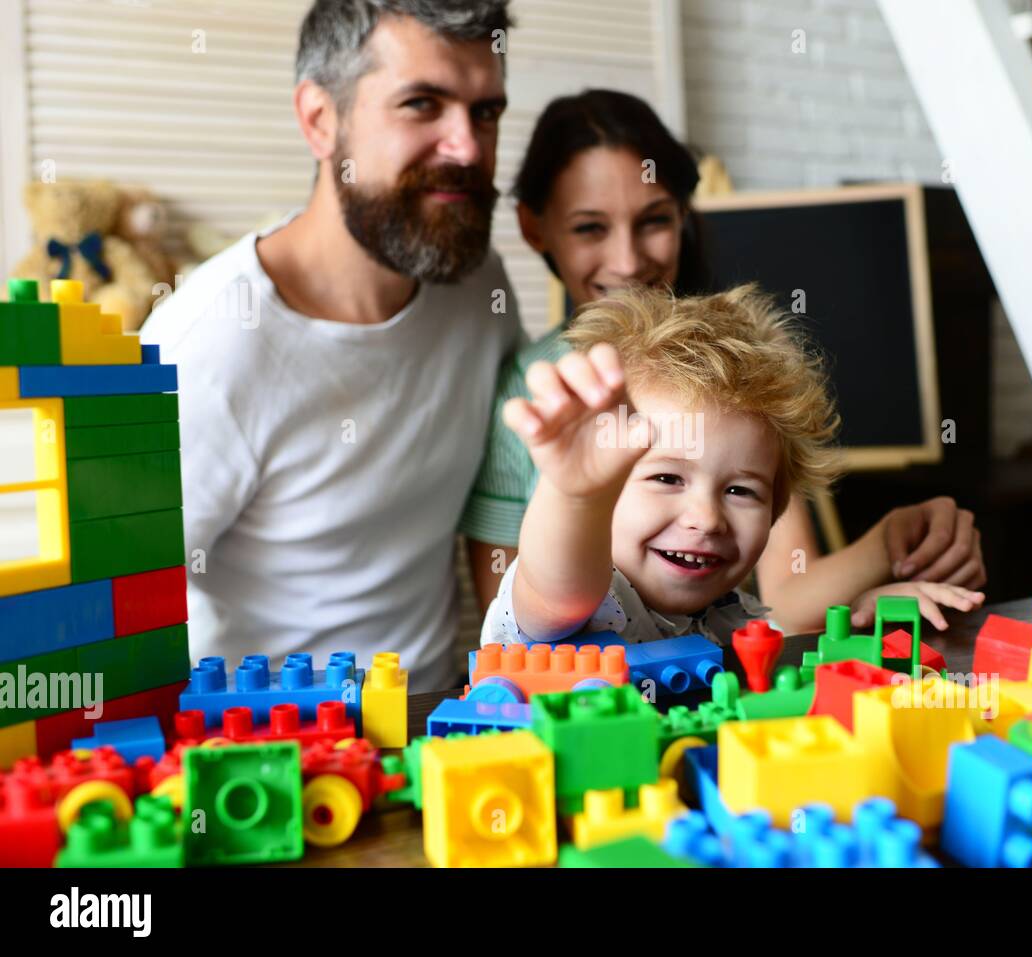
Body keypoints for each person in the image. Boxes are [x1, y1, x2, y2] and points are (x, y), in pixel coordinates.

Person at [462, 88, 986, 634]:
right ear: (534, 226)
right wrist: (575, 494)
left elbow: (781, 610)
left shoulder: (737, 383)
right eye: (591, 227)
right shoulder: (528, 402)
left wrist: (884, 554)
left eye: (654, 221)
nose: (627, 261)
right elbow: (546, 607)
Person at [143, 0, 520, 690]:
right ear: (320, 120)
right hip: (266, 762)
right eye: (422, 104)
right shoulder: (206, 345)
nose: (467, 147)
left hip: (435, 731)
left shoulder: (477, 284)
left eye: (486, 112)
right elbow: (116, 607)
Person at [480, 285, 983, 647]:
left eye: (741, 491)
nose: (707, 517)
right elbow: (556, 595)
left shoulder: (726, 614)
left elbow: (778, 649)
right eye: (667, 478)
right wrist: (575, 496)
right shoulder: (591, 595)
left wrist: (860, 619)